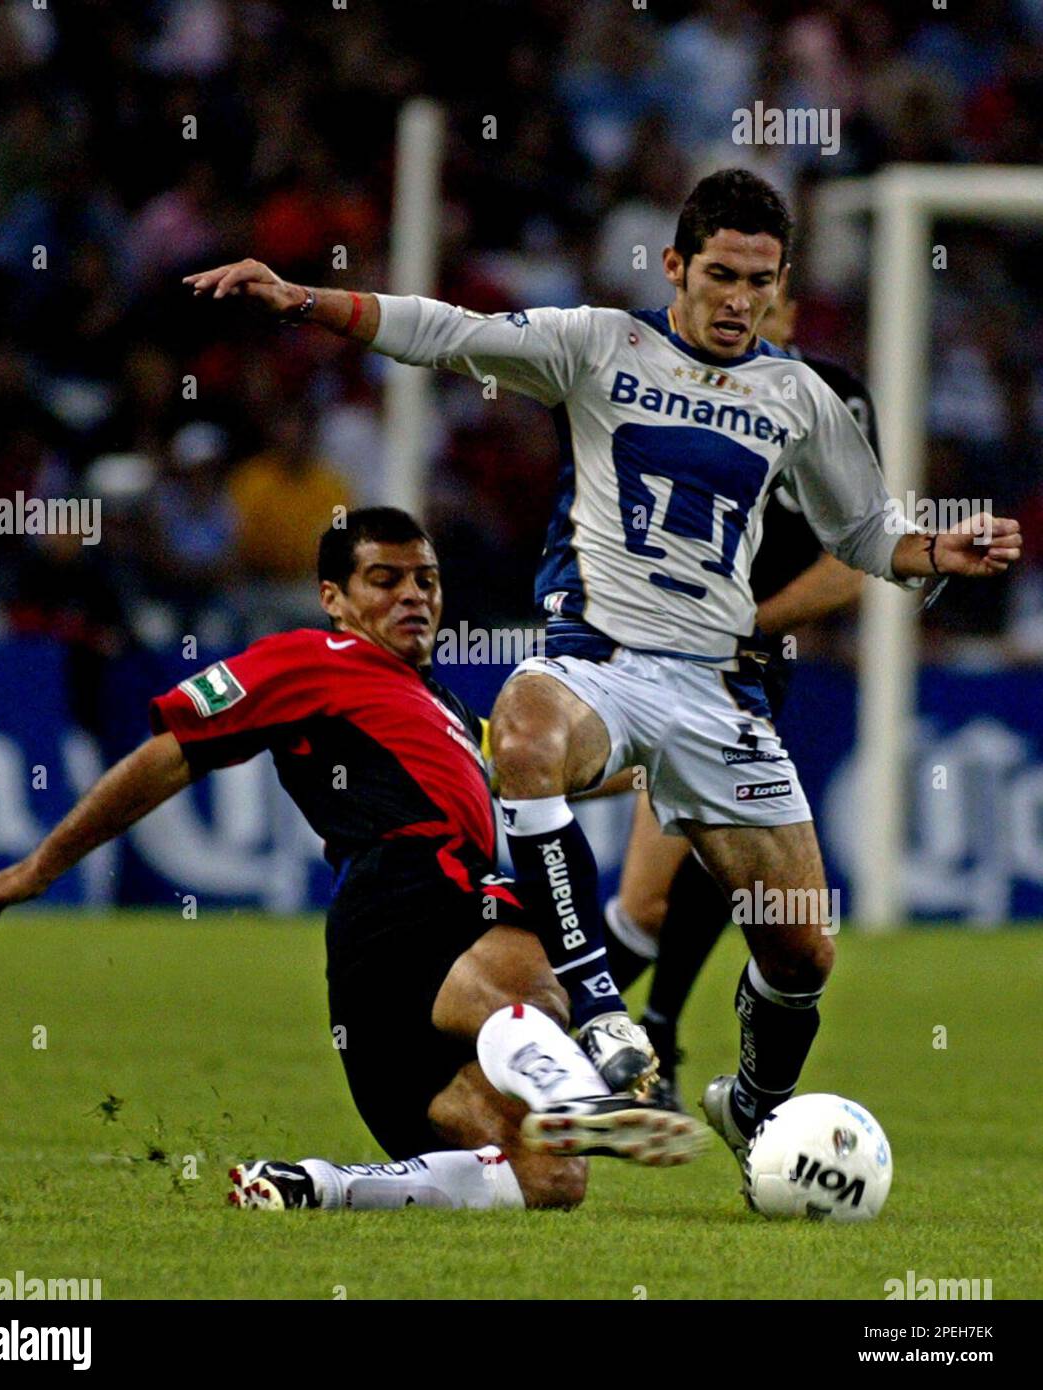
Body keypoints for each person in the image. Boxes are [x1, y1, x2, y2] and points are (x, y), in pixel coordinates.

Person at [182, 169, 1021, 1188]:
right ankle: (600, 1007)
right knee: (524, 736)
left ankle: (750, 1100)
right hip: (599, 665)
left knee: (801, 953)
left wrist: (936, 549)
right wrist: (302, 299)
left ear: (779, 282)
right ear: (674, 265)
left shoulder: (797, 396)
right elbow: (449, 332)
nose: (737, 299)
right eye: (719, 273)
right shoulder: (598, 347)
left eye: (759, 280)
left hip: (718, 692)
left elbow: (859, 529)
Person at [0, 508, 707, 1215]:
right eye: (385, 580)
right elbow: (171, 754)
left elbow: (538, 773)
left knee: (547, 1176)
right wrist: (43, 867)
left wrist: (673, 770)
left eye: (426, 580)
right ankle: (573, 1092)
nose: (413, 596)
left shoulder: (441, 707)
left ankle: (321, 1184)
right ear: (333, 598)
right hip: (415, 882)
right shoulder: (310, 657)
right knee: (534, 987)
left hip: (366, 965)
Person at [600, 283, 877, 1111]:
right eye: (728, 287)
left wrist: (750, 622)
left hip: (745, 667)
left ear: (792, 310)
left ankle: (614, 1039)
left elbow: (854, 552)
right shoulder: (657, 383)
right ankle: (558, 1028)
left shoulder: (829, 398)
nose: (751, 306)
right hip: (652, 650)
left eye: (771, 291)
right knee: (652, 898)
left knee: (703, 889)